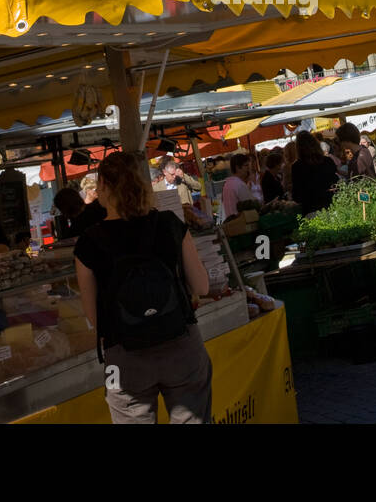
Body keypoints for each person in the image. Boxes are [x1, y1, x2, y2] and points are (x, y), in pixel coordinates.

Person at [73, 151, 212, 424]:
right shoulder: (169, 224)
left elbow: (94, 318)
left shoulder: (88, 242)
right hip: (181, 345)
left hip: (124, 358)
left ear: (103, 186)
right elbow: (202, 286)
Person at [290, 130, 340, 215]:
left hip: (310, 209)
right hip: (330, 206)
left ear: (298, 148)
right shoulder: (327, 161)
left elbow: (297, 194)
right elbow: (336, 182)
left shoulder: (297, 166)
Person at [221, 153, 253, 219]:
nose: (249, 168)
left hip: (233, 223)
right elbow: (251, 205)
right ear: (238, 168)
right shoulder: (239, 184)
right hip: (242, 223)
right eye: (246, 165)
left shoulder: (227, 184)